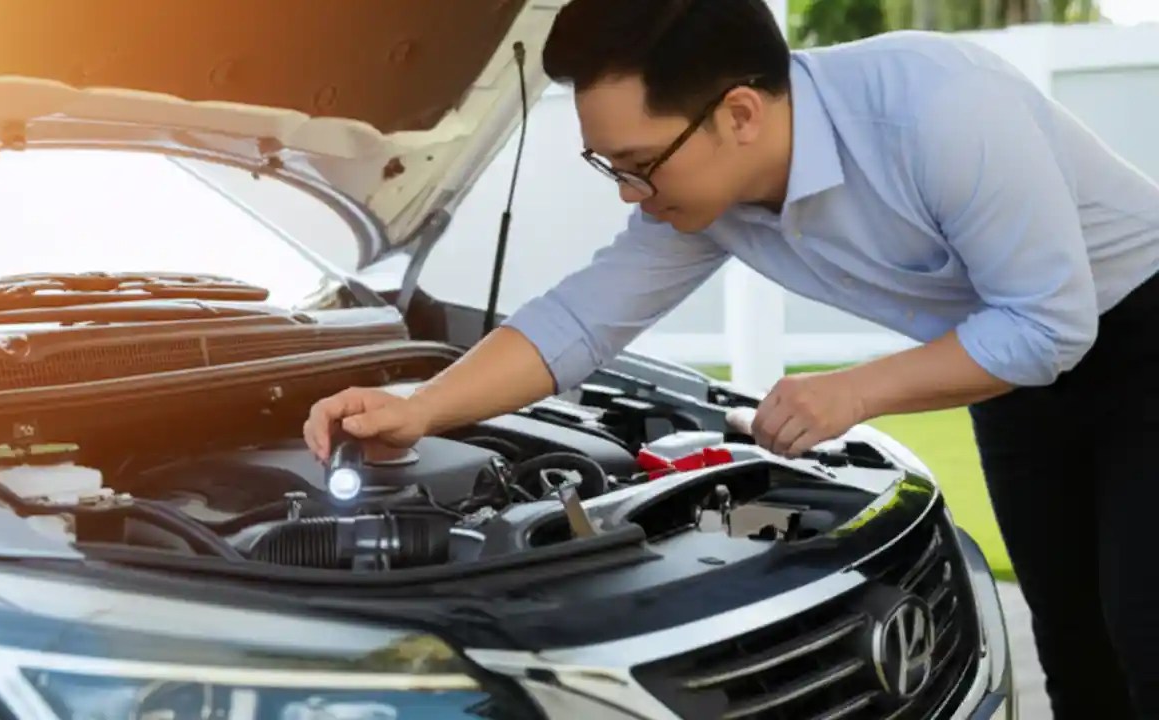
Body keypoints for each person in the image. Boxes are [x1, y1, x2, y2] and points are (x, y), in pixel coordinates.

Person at [302, 0, 1159, 715]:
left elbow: (1052, 323)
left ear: (740, 113)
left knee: (1146, 631)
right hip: (1006, 367)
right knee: (1075, 644)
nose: (632, 194)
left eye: (639, 166)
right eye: (610, 169)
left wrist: (851, 394)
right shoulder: (708, 200)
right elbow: (580, 319)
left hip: (1140, 335)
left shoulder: (940, 110)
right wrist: (418, 408)